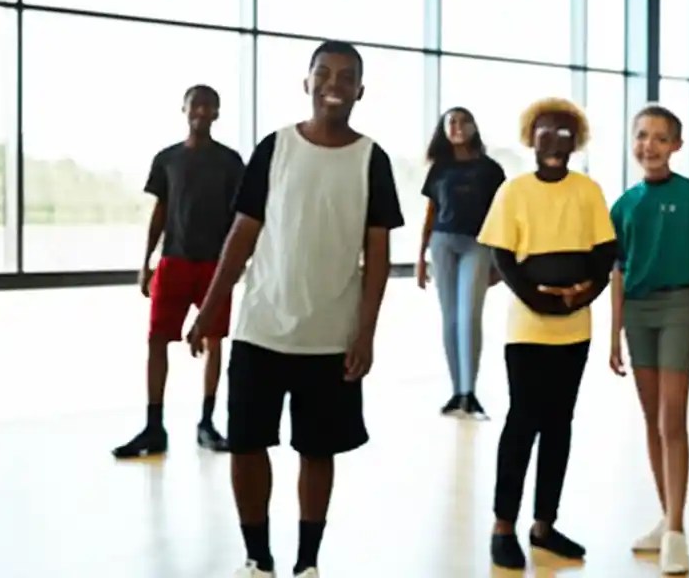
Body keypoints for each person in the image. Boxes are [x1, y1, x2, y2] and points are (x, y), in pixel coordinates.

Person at [186, 40, 405, 578]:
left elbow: (377, 255)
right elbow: (242, 234)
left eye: (346, 75)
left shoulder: (371, 160)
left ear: (360, 89)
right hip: (262, 328)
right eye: (323, 73)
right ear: (306, 83)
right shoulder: (275, 147)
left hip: (331, 337)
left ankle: (307, 564)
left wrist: (367, 333)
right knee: (246, 445)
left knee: (317, 451)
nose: (334, 82)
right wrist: (213, 308)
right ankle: (257, 558)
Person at [477, 97, 617, 571]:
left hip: (575, 329)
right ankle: (503, 526)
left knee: (560, 424)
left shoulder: (589, 191)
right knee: (523, 422)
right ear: (530, 138)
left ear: (575, 141)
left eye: (563, 133)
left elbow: (604, 255)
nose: (554, 141)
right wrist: (534, 299)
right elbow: (501, 256)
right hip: (528, 328)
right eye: (545, 132)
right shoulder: (514, 191)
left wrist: (586, 295)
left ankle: (543, 524)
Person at [608, 105, 689, 575]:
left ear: (676, 145)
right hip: (637, 313)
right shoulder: (624, 205)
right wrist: (613, 335)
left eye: (660, 138)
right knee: (651, 420)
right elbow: (617, 273)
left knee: (671, 419)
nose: (649, 145)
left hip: (679, 307)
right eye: (641, 136)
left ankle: (676, 528)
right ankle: (666, 516)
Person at [112, 84, 244, 459]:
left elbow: (242, 218)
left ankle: (207, 422)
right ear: (184, 109)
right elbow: (160, 211)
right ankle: (154, 426)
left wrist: (236, 265)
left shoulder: (231, 162)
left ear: (217, 112)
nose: (201, 111)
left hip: (214, 265)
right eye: (195, 105)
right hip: (173, 260)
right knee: (157, 340)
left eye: (209, 106)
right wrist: (146, 263)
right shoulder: (167, 158)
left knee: (215, 340)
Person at [416, 106, 506, 420]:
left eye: (462, 120)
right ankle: (457, 391)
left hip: (477, 245)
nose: (456, 126)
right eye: (450, 121)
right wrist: (420, 256)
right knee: (450, 319)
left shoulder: (491, 170)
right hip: (443, 243)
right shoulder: (439, 169)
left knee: (469, 317)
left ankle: (470, 391)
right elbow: (431, 212)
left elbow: (501, 217)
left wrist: (501, 262)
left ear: (473, 126)